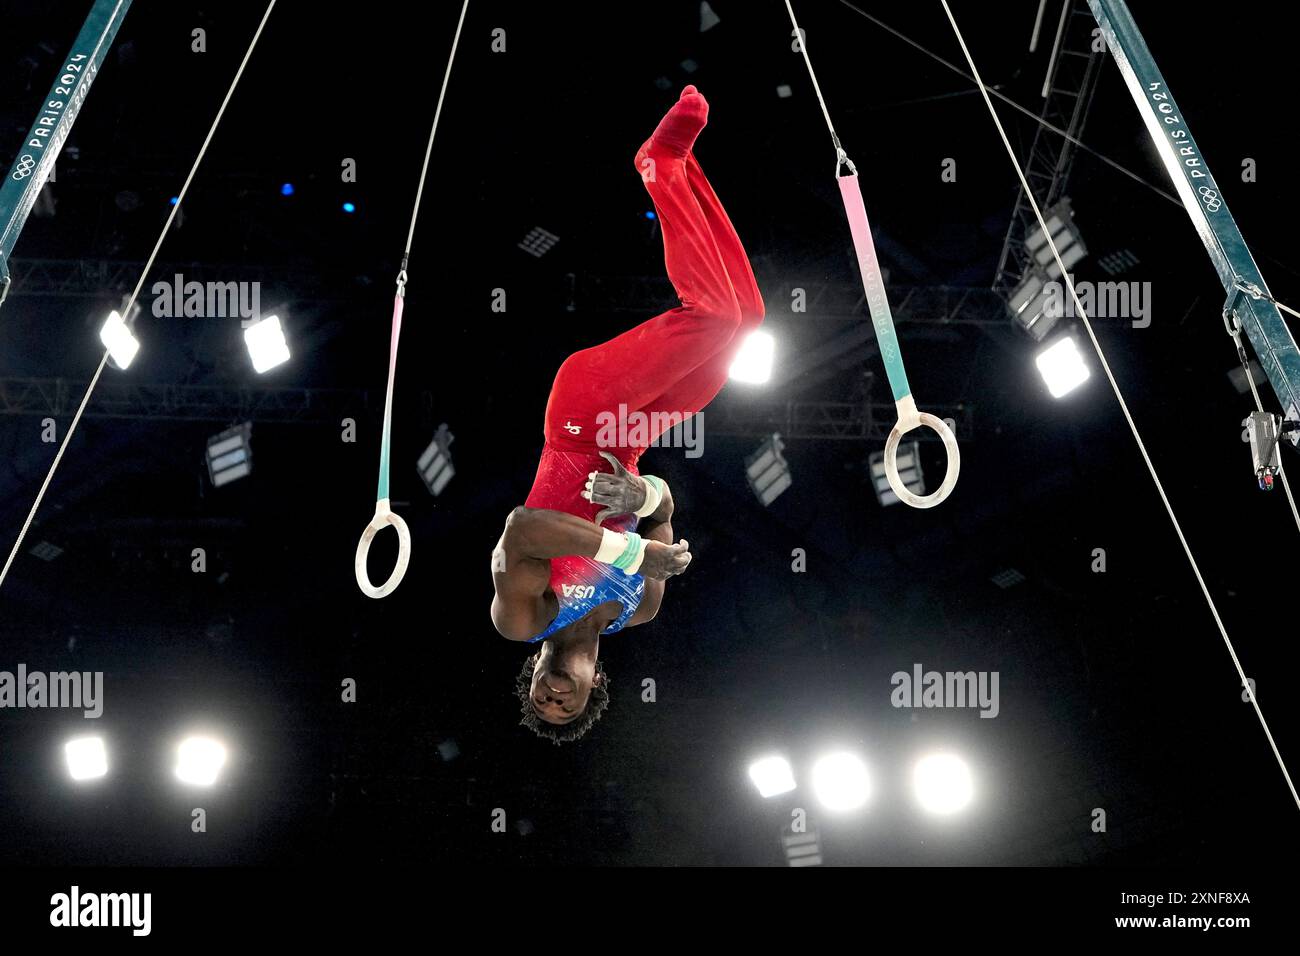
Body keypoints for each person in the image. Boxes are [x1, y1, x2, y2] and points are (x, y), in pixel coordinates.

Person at [490, 85, 765, 743]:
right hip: (635, 439)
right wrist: (646, 495)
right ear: (594, 690)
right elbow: (664, 508)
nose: (554, 695)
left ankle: (657, 165)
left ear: (532, 674)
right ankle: (684, 169)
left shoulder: (526, 618)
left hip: (579, 425)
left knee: (714, 316)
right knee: (745, 319)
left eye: (542, 698)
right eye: (567, 705)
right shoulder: (636, 610)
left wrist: (630, 545)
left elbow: (525, 528)